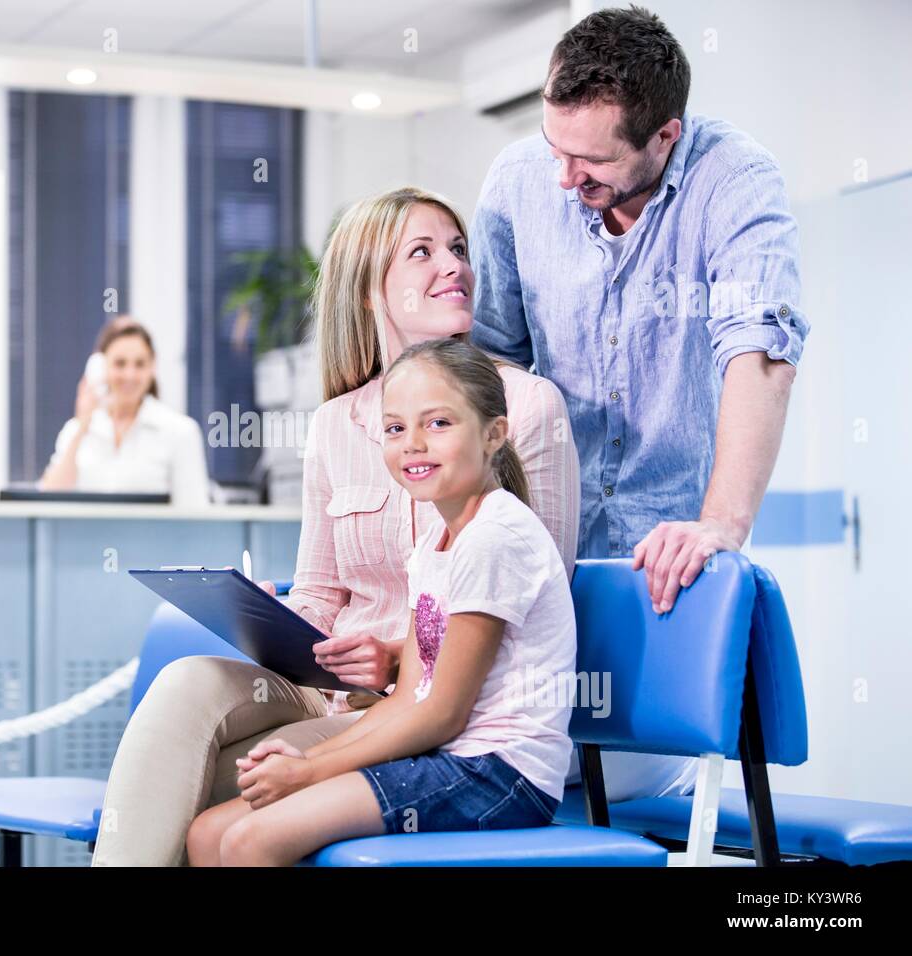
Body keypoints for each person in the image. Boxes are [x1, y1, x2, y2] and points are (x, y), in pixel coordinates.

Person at [91, 186, 581, 866]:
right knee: (185, 689)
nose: (456, 267)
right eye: (423, 251)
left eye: (459, 249)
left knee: (217, 796)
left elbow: (507, 615)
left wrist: (386, 662)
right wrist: (271, 621)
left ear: (487, 432)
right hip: (340, 692)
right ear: (370, 292)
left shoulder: (525, 409)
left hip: (432, 714)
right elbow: (320, 596)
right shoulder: (334, 425)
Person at [471, 6, 809, 796]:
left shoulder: (735, 178)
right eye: (556, 150)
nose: (564, 179)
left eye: (590, 162)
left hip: (660, 578)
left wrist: (720, 525)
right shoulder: (518, 183)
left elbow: (758, 352)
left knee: (621, 794)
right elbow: (488, 363)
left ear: (664, 136)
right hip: (543, 560)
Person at [187, 338, 574, 866]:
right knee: (211, 833)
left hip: (499, 773)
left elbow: (441, 714)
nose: (413, 443)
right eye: (395, 428)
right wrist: (307, 758)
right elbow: (408, 695)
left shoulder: (495, 538)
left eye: (438, 423)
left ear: (494, 434)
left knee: (251, 840)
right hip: (445, 756)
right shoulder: (434, 544)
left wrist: (309, 771)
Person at [38, 316, 210, 506]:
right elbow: (48, 503)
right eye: (120, 363)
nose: (130, 375)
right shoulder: (76, 431)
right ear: (101, 367)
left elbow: (195, 514)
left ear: (152, 368)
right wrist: (82, 426)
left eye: (140, 364)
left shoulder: (179, 432)